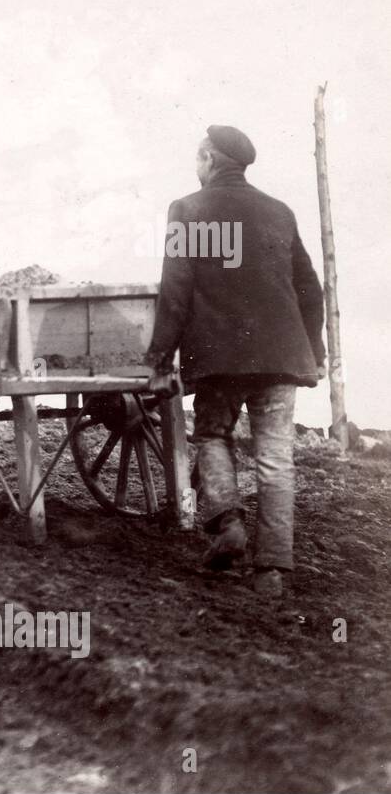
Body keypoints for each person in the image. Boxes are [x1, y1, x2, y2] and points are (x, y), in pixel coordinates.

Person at [146, 125, 326, 597]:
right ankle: (273, 569)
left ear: (208, 159)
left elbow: (176, 292)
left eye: (196, 158)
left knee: (211, 435)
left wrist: (159, 358)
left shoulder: (187, 211)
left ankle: (228, 522)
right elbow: (311, 288)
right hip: (282, 358)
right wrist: (316, 352)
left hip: (219, 357)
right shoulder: (279, 213)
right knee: (275, 459)